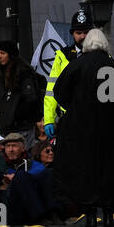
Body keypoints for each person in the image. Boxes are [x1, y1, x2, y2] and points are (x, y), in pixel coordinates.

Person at [53, 27, 114, 227]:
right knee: (108, 168)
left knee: (86, 170)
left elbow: (59, 92)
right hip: (108, 124)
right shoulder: (113, 65)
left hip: (82, 126)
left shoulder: (77, 65)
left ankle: (91, 217)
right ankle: (109, 216)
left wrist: (74, 107)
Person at [43, 10, 91, 139]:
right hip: (70, 117)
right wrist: (48, 119)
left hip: (94, 116)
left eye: (86, 32)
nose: (83, 36)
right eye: (79, 33)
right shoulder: (62, 56)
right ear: (72, 34)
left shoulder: (103, 55)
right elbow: (51, 90)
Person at [0, 40, 43, 147]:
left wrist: (16, 117)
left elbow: (30, 99)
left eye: (3, 53)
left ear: (11, 54)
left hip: (21, 127)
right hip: (10, 127)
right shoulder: (4, 73)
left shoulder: (23, 73)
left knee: (24, 155)